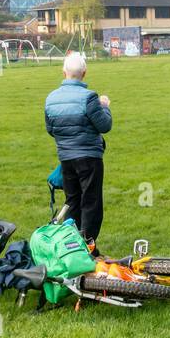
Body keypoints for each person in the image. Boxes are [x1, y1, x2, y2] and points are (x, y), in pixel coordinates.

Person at [44, 52, 112, 248]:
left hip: (66, 157)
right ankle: (88, 245)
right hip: (89, 157)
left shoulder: (51, 98)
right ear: (84, 73)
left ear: (63, 72)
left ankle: (71, 244)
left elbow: (51, 129)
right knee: (91, 201)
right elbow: (105, 125)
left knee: (72, 200)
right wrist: (105, 107)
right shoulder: (90, 98)